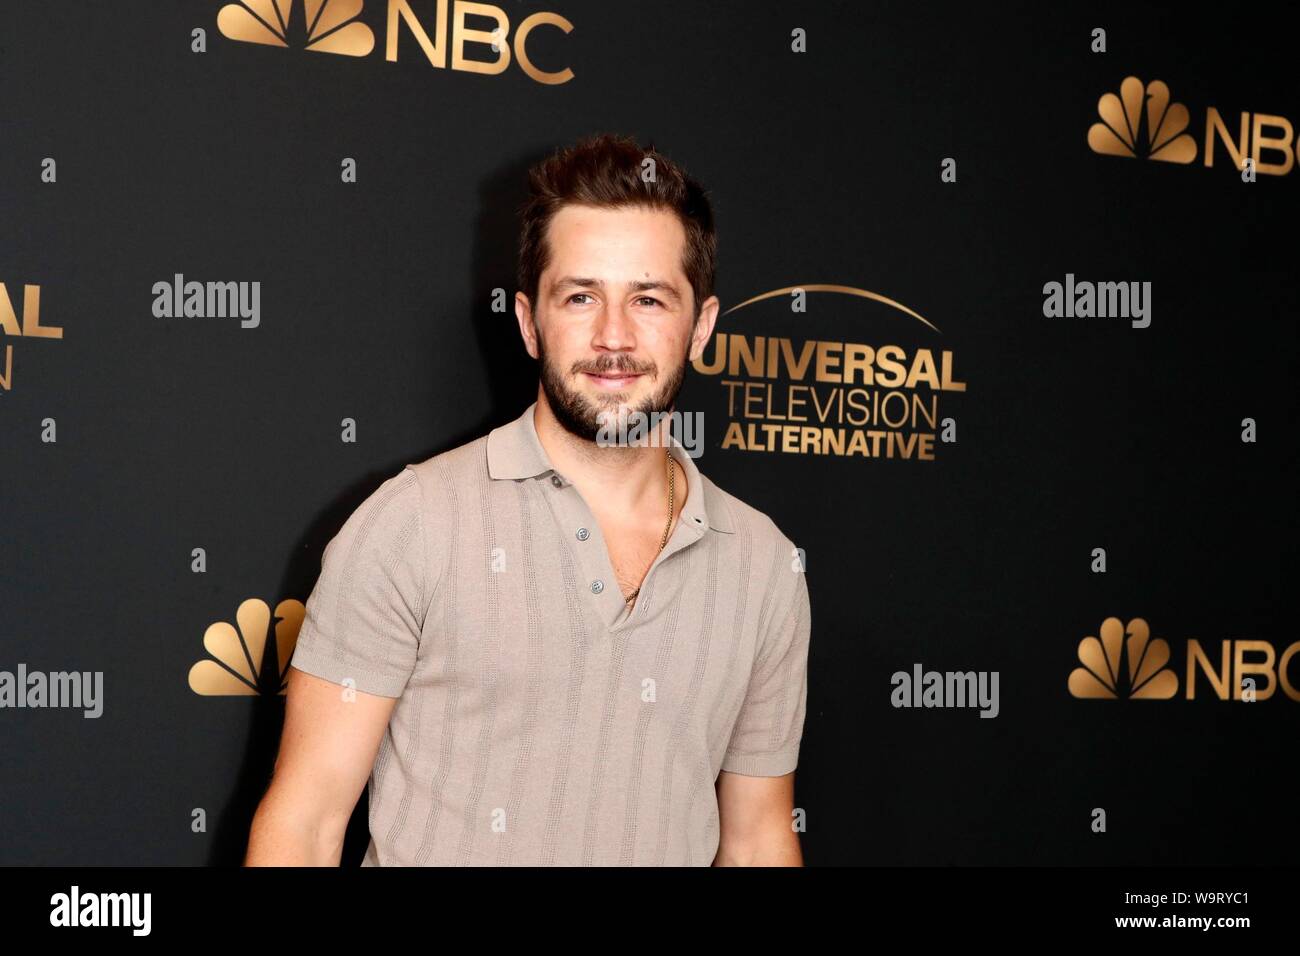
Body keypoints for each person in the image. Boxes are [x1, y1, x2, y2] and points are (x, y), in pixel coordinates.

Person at [245, 133, 812, 866]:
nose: (614, 337)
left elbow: (759, 838)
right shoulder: (413, 524)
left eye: (648, 299)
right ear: (528, 323)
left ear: (700, 326)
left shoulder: (763, 563)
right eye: (581, 297)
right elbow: (305, 825)